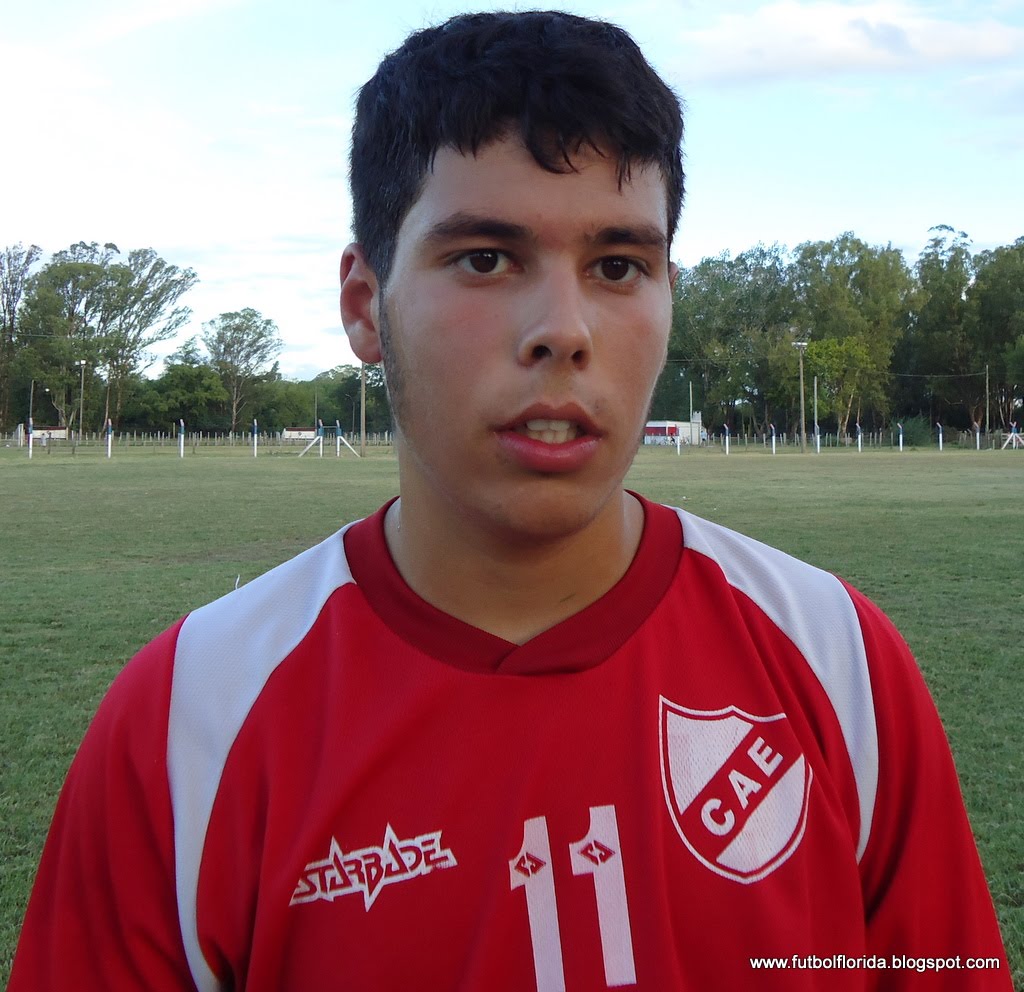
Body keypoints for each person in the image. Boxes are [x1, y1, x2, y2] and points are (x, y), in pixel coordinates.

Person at [9, 11, 1011, 991]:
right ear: (364, 305)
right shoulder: (187, 720)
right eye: (485, 258)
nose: (562, 329)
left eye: (618, 265)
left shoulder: (837, 661)